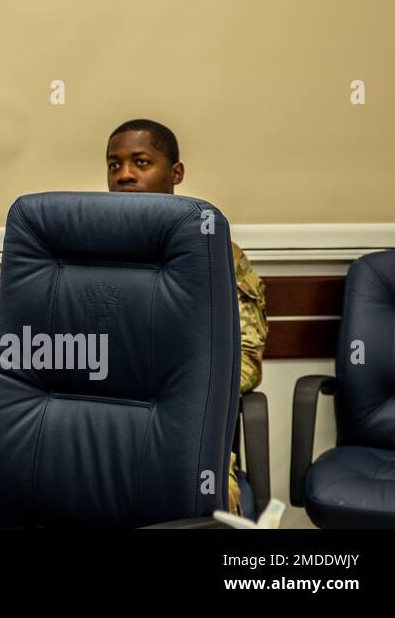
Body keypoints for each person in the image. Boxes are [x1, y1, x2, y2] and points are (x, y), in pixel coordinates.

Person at [105, 118, 269, 514]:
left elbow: (244, 364)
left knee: (206, 506)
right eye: (114, 165)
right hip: (102, 427)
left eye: (141, 162)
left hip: (185, 430)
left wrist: (166, 381)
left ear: (175, 173)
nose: (125, 175)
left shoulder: (215, 254)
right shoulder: (86, 252)